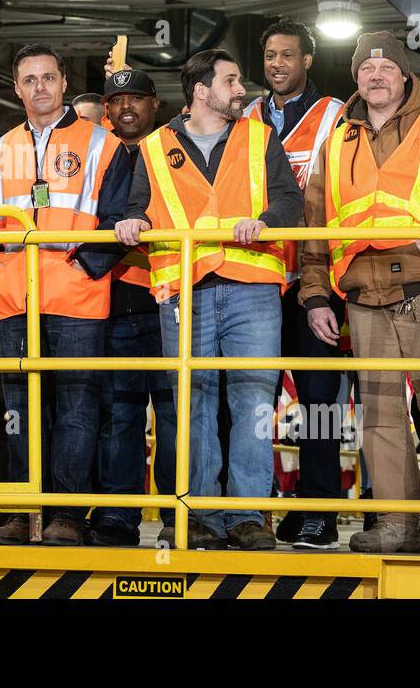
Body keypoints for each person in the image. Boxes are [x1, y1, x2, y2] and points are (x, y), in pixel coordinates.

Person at [300, 31, 420, 554]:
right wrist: (316, 295)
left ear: (405, 75)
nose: (376, 76)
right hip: (362, 292)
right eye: (367, 70)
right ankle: (396, 521)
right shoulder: (336, 140)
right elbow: (315, 224)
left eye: (386, 70)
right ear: (357, 79)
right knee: (382, 410)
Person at [117, 49, 302, 550]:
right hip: (185, 291)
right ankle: (200, 518)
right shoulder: (154, 148)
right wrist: (132, 223)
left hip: (252, 286)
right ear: (201, 90)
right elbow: (138, 211)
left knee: (254, 403)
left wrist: (266, 222)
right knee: (193, 406)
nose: (241, 89)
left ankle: (246, 518)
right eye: (231, 81)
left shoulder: (261, 139)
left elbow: (290, 201)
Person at [0, 43, 131, 546]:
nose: (39, 87)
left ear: (64, 83)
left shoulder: (102, 144)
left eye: (48, 77)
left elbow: (120, 215)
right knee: (21, 408)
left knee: (77, 406)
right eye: (29, 79)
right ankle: (27, 512)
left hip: (78, 297)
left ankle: (66, 514)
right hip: (14, 298)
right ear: (16, 87)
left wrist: (87, 267)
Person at [243, 20, 347, 549]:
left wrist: (323, 285)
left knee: (320, 400)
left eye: (288, 54)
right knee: (252, 400)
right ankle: (254, 510)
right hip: (255, 280)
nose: (278, 64)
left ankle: (320, 510)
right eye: (269, 55)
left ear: (308, 59)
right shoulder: (244, 118)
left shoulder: (336, 116)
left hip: (313, 282)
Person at [89, 67, 176, 547]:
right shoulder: (97, 154)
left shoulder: (174, 151)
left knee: (173, 415)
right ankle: (117, 518)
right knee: (119, 415)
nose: (126, 107)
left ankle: (174, 516)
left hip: (168, 299)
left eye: (137, 98)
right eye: (117, 99)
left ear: (154, 104)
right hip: (114, 301)